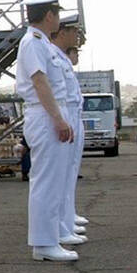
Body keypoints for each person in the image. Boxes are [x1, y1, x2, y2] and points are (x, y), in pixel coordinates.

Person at [13, 0, 77, 261]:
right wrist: (59, 119)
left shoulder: (39, 43)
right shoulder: (33, 43)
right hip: (44, 114)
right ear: (49, 15)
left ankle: (51, 238)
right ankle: (43, 244)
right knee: (46, 182)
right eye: (57, 15)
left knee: (53, 180)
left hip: (49, 112)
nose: (59, 20)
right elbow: (40, 82)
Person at [50, 13, 87, 245]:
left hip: (72, 112)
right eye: (74, 31)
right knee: (59, 175)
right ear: (63, 31)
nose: (77, 36)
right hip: (62, 113)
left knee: (70, 171)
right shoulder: (51, 53)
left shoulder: (60, 58)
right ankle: (59, 227)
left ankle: (66, 219)